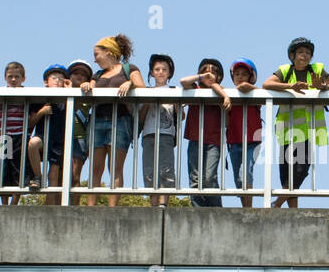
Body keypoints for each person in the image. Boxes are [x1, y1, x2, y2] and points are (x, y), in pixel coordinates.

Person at [263, 37, 329, 207]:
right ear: (292, 55)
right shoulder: (285, 70)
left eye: (308, 53)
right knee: (286, 174)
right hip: (286, 128)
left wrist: (322, 86)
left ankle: (276, 203)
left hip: (308, 129)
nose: (305, 55)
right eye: (301, 52)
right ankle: (292, 211)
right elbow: (267, 84)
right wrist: (290, 86)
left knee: (300, 171)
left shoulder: (317, 70)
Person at [83, 35, 144, 207]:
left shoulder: (129, 69)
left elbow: (142, 87)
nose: (94, 59)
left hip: (120, 120)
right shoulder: (98, 74)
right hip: (97, 120)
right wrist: (86, 86)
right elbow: (91, 88)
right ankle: (90, 207)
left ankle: (112, 208)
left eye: (96, 54)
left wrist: (130, 84)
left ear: (108, 52)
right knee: (95, 168)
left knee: (115, 168)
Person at [180, 59, 230, 207]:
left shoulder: (222, 92)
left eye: (213, 71)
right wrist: (201, 77)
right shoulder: (195, 89)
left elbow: (227, 122)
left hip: (214, 141)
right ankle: (198, 213)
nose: (209, 73)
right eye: (205, 71)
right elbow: (183, 81)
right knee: (195, 179)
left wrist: (223, 95)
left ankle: (216, 212)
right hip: (195, 139)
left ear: (219, 76)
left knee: (209, 178)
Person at [139, 53, 179, 207]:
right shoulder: (146, 91)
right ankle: (153, 204)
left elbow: (181, 116)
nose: (161, 72)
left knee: (166, 169)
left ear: (170, 73)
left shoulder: (174, 90)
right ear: (151, 72)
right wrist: (148, 101)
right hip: (148, 134)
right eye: (157, 69)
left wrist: (175, 102)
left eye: (164, 69)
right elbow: (141, 118)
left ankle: (163, 204)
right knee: (149, 170)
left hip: (166, 134)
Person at [27, 63, 69, 205]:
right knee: (33, 144)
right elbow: (30, 123)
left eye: (61, 79)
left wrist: (70, 89)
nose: (57, 81)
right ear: (46, 82)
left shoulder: (68, 98)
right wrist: (41, 112)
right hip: (43, 136)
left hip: (60, 140)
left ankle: (49, 204)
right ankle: (37, 176)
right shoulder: (39, 98)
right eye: (54, 78)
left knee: (54, 174)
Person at [226, 58, 263, 208]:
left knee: (246, 172)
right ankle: (246, 208)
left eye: (244, 74)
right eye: (237, 74)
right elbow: (226, 123)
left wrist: (250, 86)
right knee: (238, 178)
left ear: (251, 77)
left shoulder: (256, 94)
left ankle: (248, 209)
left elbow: (258, 95)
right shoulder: (229, 95)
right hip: (234, 141)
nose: (240, 77)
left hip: (252, 141)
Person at [0, 61, 27, 205]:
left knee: (19, 169)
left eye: (17, 77)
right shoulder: (2, 93)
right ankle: (4, 203)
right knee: (2, 169)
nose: (13, 79)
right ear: (5, 77)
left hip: (20, 135)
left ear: (23, 79)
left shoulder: (27, 93)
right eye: (10, 76)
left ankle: (14, 202)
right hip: (5, 136)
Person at [66, 59, 94, 200]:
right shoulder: (61, 90)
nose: (79, 76)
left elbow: (78, 107)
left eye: (83, 74)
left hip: (79, 138)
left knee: (74, 175)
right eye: (75, 73)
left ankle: (74, 207)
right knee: (58, 175)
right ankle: (56, 206)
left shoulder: (88, 93)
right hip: (61, 137)